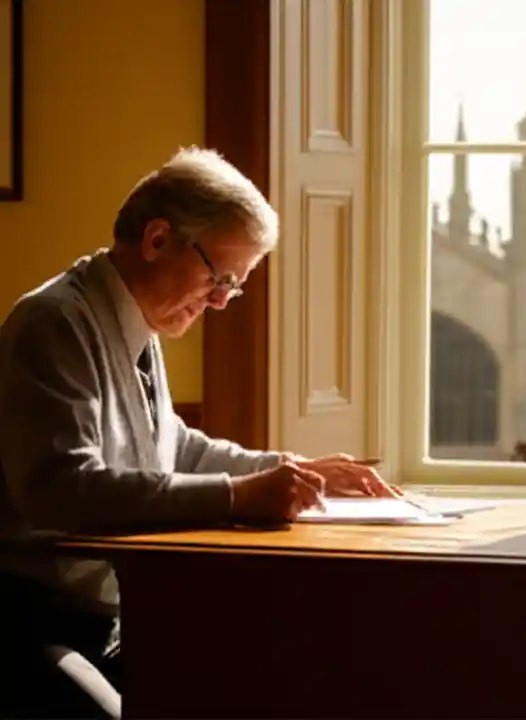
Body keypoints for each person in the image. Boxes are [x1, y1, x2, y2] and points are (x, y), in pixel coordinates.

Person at [0, 147, 395, 716]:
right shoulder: (54, 323)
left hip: (113, 619)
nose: (221, 301)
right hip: (32, 620)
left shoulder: (135, 323)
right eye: (219, 277)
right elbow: (62, 489)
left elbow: (173, 447)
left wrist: (292, 470)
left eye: (233, 286)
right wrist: (238, 497)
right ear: (158, 239)